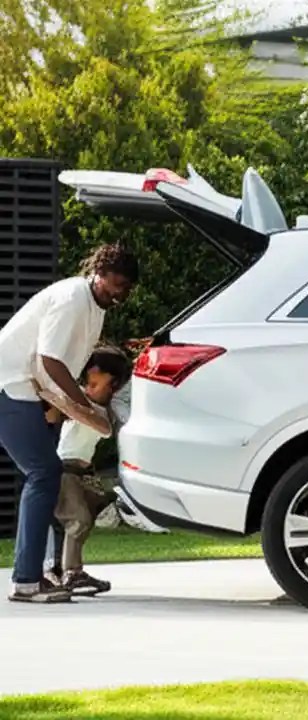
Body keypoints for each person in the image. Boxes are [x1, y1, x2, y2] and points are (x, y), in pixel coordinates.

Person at [0, 243, 138, 603]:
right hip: (9, 385)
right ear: (100, 272)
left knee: (45, 478)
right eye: (117, 284)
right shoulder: (73, 298)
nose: (120, 294)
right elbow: (49, 359)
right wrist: (83, 404)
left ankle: (44, 573)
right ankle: (27, 582)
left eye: (127, 288)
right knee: (44, 474)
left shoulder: (95, 306)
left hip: (29, 391)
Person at [39, 345, 132, 596]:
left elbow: (101, 427)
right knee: (77, 521)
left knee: (81, 519)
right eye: (87, 383)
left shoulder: (102, 414)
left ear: (113, 386)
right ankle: (71, 572)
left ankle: (60, 570)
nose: (87, 389)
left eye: (94, 385)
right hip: (64, 470)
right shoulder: (78, 399)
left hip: (82, 474)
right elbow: (51, 415)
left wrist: (66, 403)